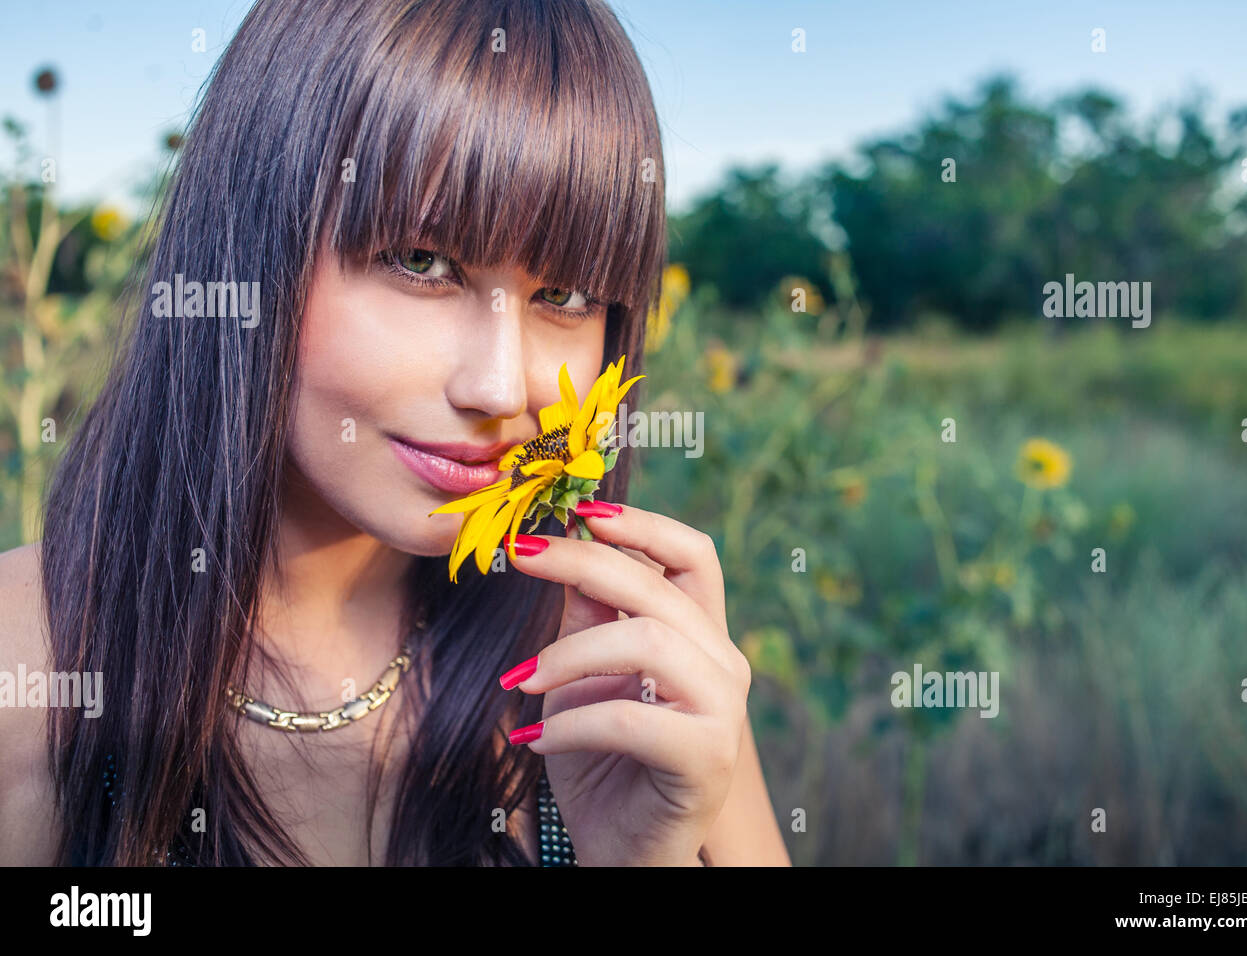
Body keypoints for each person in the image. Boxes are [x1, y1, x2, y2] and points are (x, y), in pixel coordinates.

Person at [0, 0, 789, 866]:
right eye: (421, 262)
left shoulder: (635, 680)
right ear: (248, 245)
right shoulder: (31, 682)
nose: (499, 385)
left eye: (564, 296)